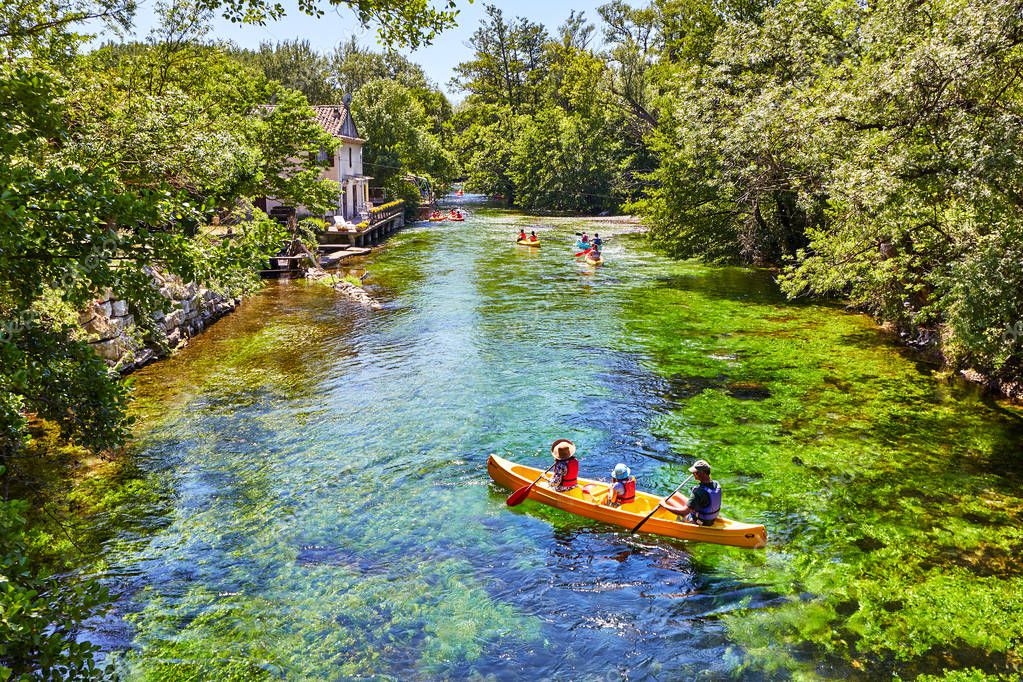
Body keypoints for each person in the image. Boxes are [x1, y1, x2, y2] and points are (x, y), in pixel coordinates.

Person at [672, 459, 722, 525]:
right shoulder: (716, 484)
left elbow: (684, 512)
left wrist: (664, 505)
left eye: (695, 472)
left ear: (702, 473)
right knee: (675, 495)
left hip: (701, 521)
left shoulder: (698, 491)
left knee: (668, 502)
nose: (693, 474)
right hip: (711, 518)